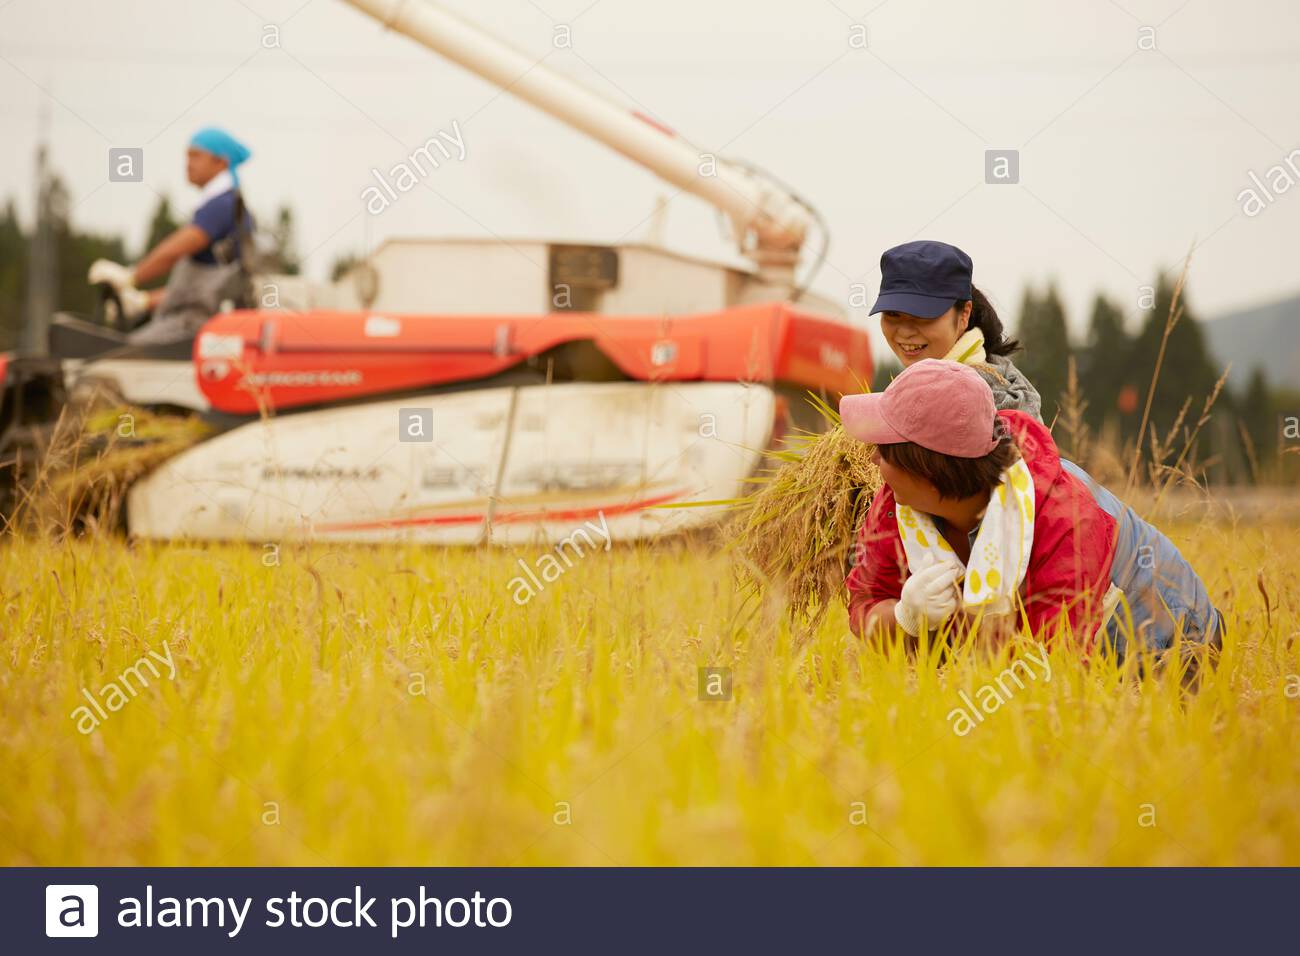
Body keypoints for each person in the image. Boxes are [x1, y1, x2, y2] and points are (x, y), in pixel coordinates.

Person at [841, 359, 1222, 668]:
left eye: (885, 450)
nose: (873, 458)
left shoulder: (1064, 517)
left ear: (927, 470)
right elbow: (864, 601)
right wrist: (906, 616)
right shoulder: (897, 503)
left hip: (1168, 645)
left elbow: (1054, 673)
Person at [88, 126, 255, 344]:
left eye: (196, 156)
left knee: (119, 357)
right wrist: (144, 301)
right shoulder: (229, 204)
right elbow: (199, 290)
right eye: (187, 156)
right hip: (198, 320)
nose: (188, 163)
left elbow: (173, 252)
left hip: (193, 326)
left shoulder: (221, 205)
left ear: (221, 162)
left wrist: (131, 276)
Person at [871, 239, 1042, 421]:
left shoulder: (982, 403)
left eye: (923, 315)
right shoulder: (926, 389)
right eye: (892, 313)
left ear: (964, 314)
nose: (905, 332)